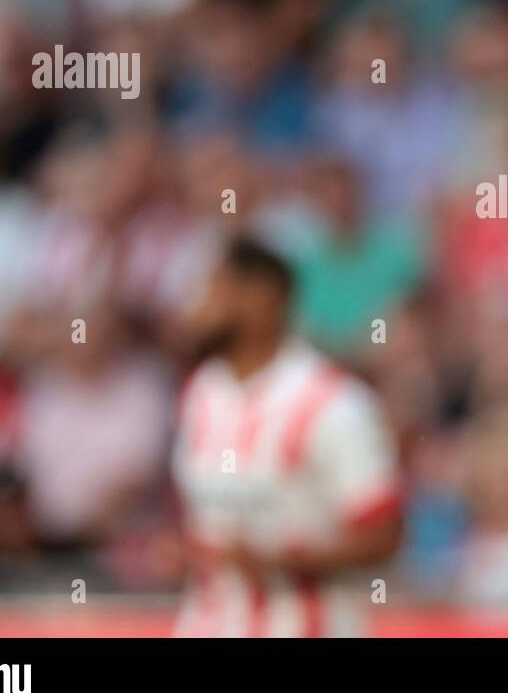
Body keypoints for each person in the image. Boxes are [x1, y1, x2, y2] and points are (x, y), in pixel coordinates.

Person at [172, 235, 404, 636]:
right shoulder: (202, 393)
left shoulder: (333, 403)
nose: (198, 305)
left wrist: (283, 561)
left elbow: (385, 535)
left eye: (215, 286)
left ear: (262, 297)